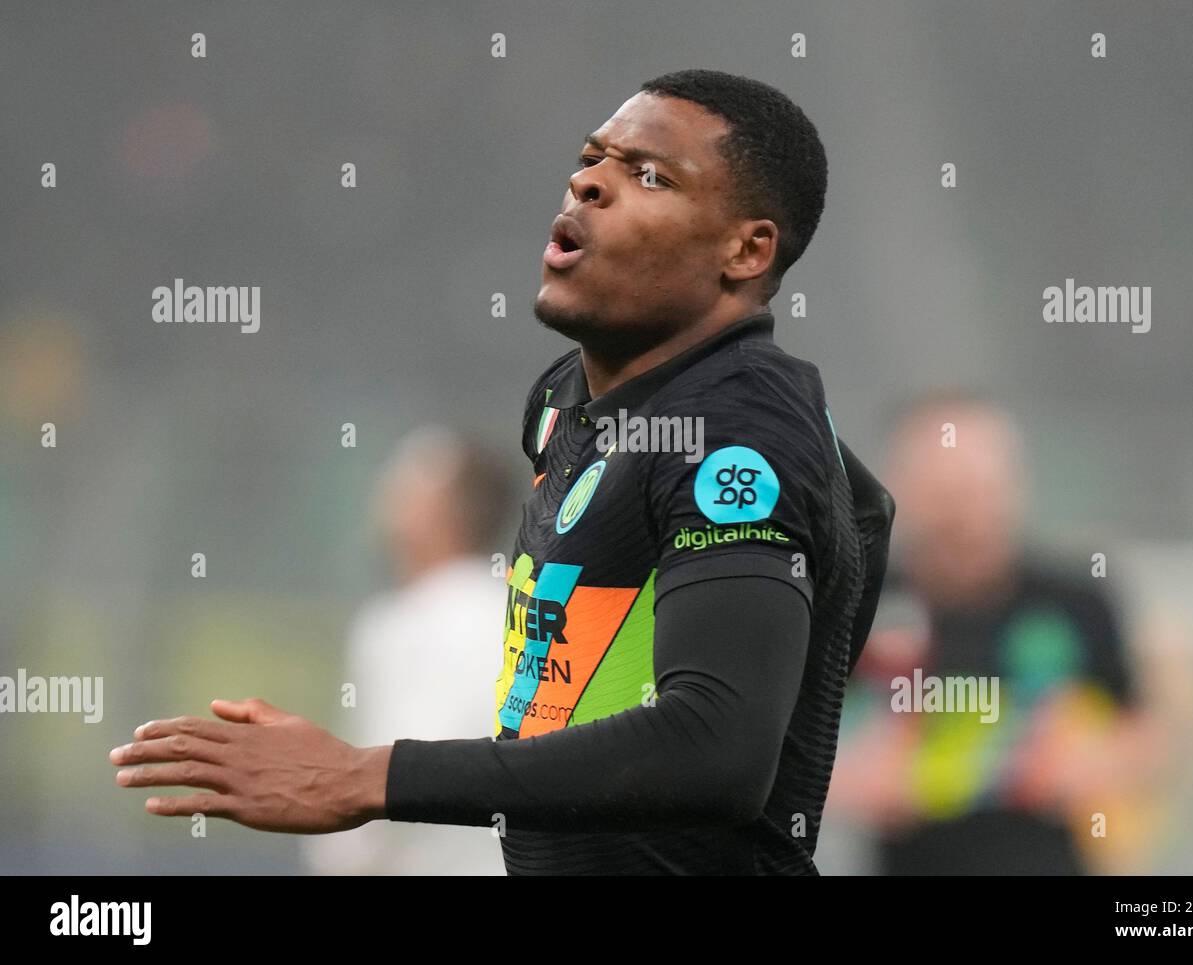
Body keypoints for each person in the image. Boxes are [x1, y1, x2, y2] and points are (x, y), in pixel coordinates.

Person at [108, 68, 895, 876]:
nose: (589, 183)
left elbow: (715, 746)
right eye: (593, 160)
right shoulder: (563, 397)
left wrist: (367, 775)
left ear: (746, 248)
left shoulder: (735, 430)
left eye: (650, 175)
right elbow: (866, 512)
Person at [826, 389, 1173, 874]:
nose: (965, 518)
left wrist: (1086, 765)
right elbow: (784, 748)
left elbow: (1147, 733)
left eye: (979, 491)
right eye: (944, 496)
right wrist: (854, 779)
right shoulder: (861, 600)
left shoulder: (1076, 597)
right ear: (898, 490)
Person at [301, 426, 512, 875]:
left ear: (449, 508)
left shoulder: (468, 616)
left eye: (412, 481)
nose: (389, 491)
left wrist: (347, 856)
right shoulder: (400, 619)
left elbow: (407, 757)